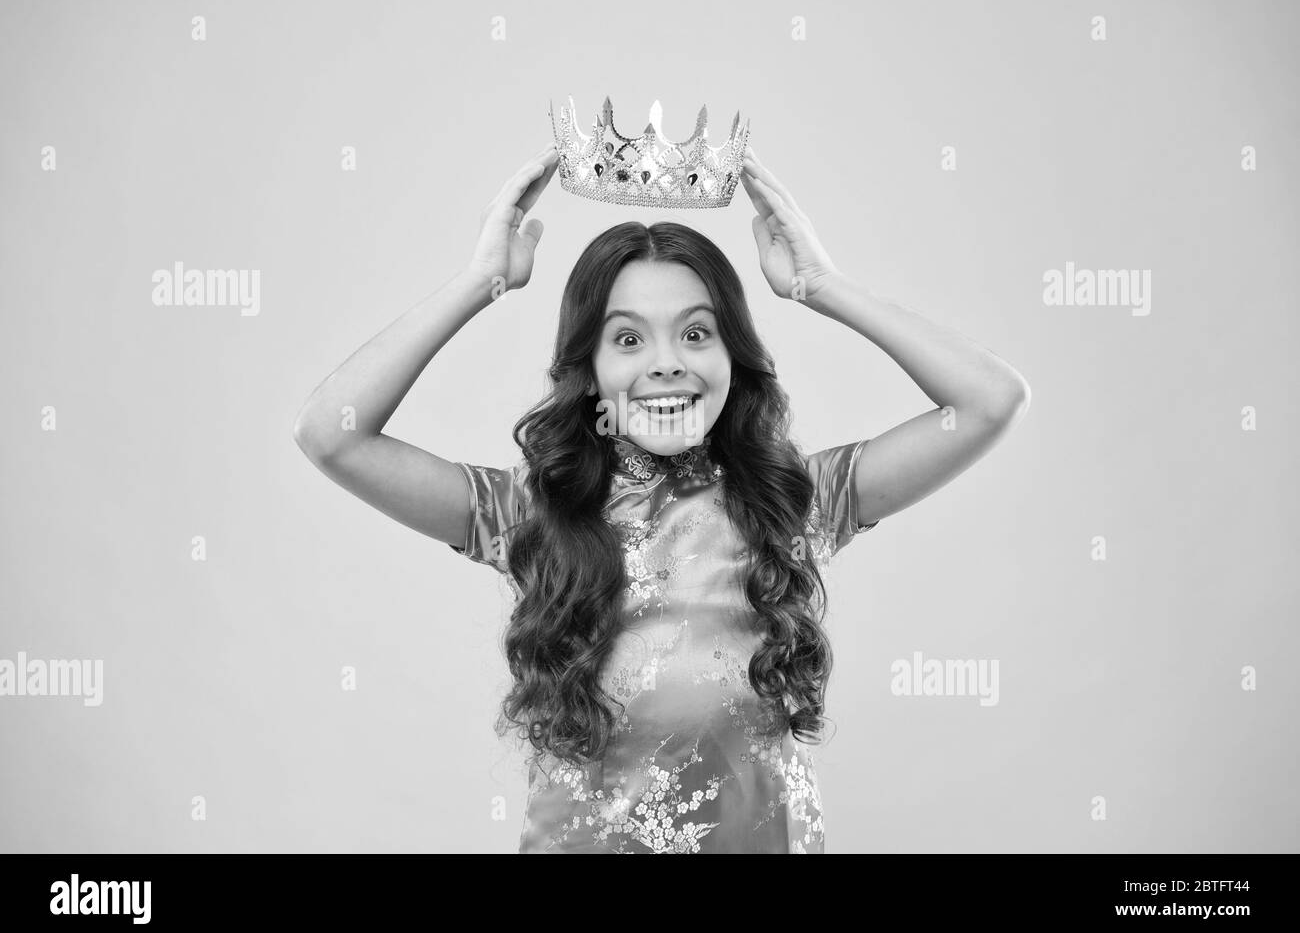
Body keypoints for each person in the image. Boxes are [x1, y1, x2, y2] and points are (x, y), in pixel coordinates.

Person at [292, 142, 1031, 853]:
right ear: (587, 369)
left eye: (697, 332)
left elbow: (990, 401)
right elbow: (332, 433)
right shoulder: (532, 511)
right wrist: (478, 281)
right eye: (628, 340)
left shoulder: (794, 502)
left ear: (732, 358)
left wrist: (823, 286)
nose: (668, 364)